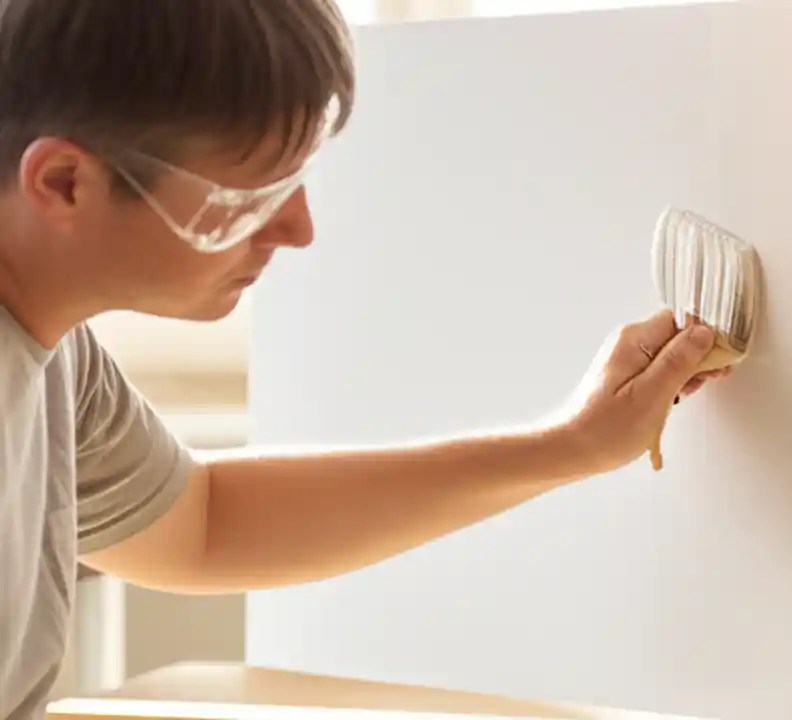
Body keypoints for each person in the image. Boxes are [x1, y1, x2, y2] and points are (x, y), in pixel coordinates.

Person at [0, 2, 727, 718]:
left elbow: (201, 524)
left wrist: (574, 445)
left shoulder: (58, 353)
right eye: (249, 198)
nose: (298, 228)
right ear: (64, 182)